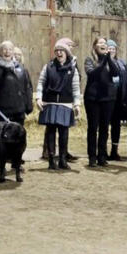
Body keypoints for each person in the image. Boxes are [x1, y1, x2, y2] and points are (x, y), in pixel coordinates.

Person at [36, 39, 81, 169]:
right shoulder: (48, 67)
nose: (59, 53)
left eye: (62, 50)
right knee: (50, 131)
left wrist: (77, 104)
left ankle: (62, 160)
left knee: (64, 133)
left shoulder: (73, 69)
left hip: (65, 104)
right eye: (57, 50)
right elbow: (41, 83)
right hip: (49, 103)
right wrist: (38, 98)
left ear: (66, 52)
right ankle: (51, 160)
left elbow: (76, 88)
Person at [84, 37, 120, 167]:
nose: (103, 44)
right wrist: (104, 60)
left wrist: (108, 58)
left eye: (105, 43)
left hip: (108, 99)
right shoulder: (89, 60)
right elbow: (92, 74)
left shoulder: (111, 61)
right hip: (92, 99)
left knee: (105, 129)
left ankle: (102, 156)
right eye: (100, 43)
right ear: (95, 46)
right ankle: (92, 157)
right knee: (93, 128)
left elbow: (116, 74)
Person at [0, 40, 33, 124]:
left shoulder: (20, 67)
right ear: (0, 51)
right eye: (4, 49)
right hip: (2, 111)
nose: (7, 52)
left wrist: (29, 106)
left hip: (18, 111)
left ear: (13, 52)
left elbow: (27, 88)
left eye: (10, 49)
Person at [107, 40, 127, 161]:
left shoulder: (122, 63)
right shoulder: (103, 63)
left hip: (119, 99)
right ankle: (102, 151)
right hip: (106, 98)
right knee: (104, 125)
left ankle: (114, 151)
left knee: (116, 125)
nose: (111, 50)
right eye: (109, 48)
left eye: (113, 48)